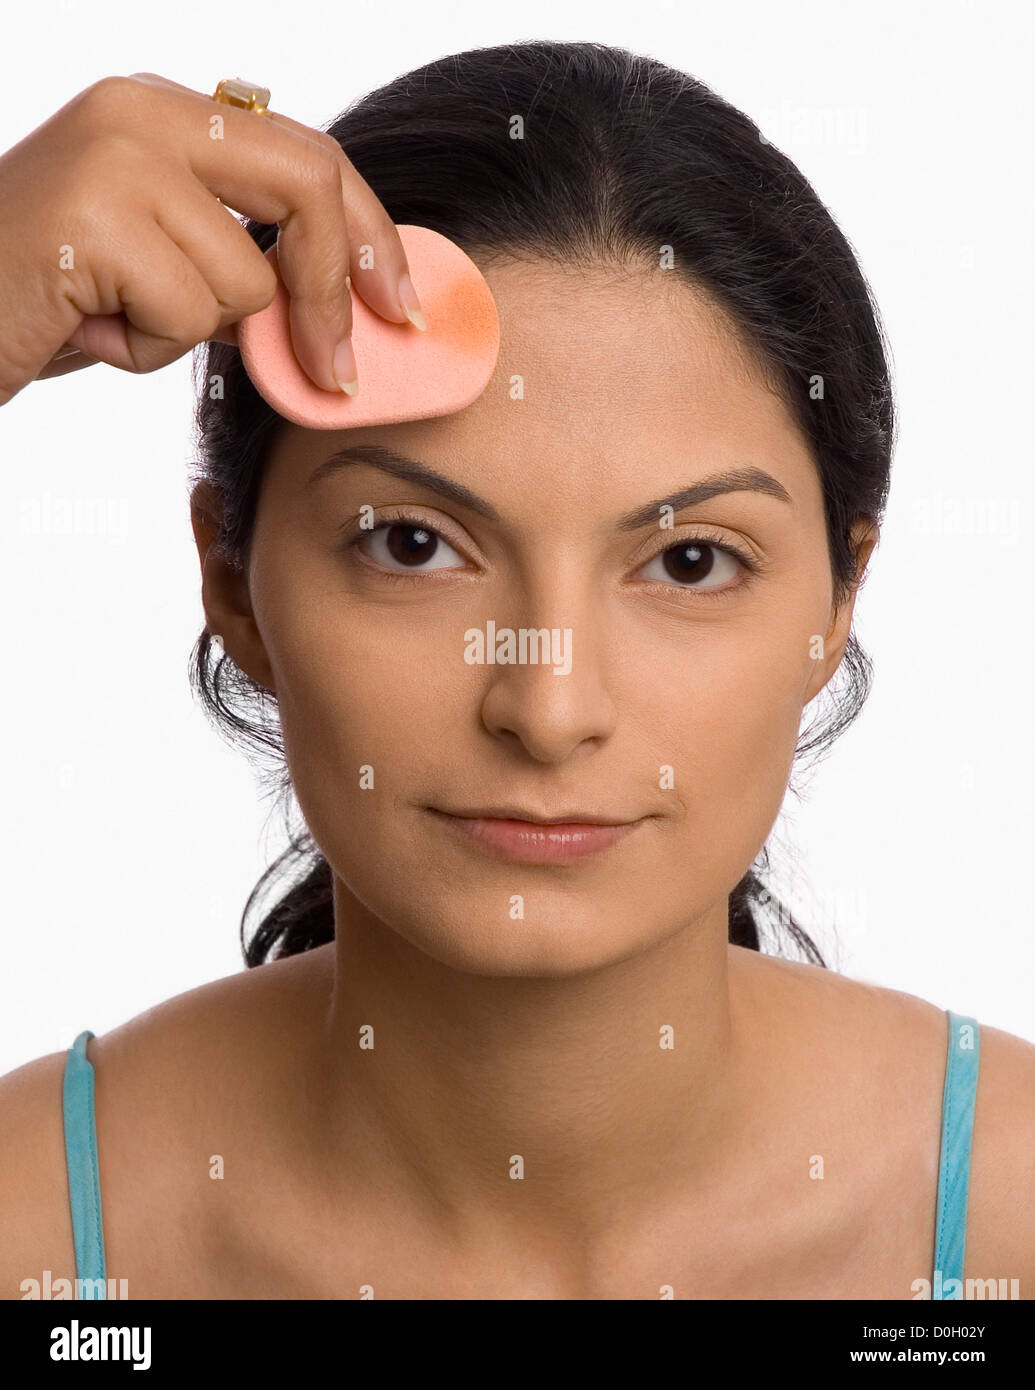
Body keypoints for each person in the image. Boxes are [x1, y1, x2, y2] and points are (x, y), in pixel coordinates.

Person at [1, 42, 1032, 1301]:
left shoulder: (1005, 1229)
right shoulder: (40, 1237)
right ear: (233, 582)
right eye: (415, 544)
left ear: (839, 601)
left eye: (691, 561)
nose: (547, 709)